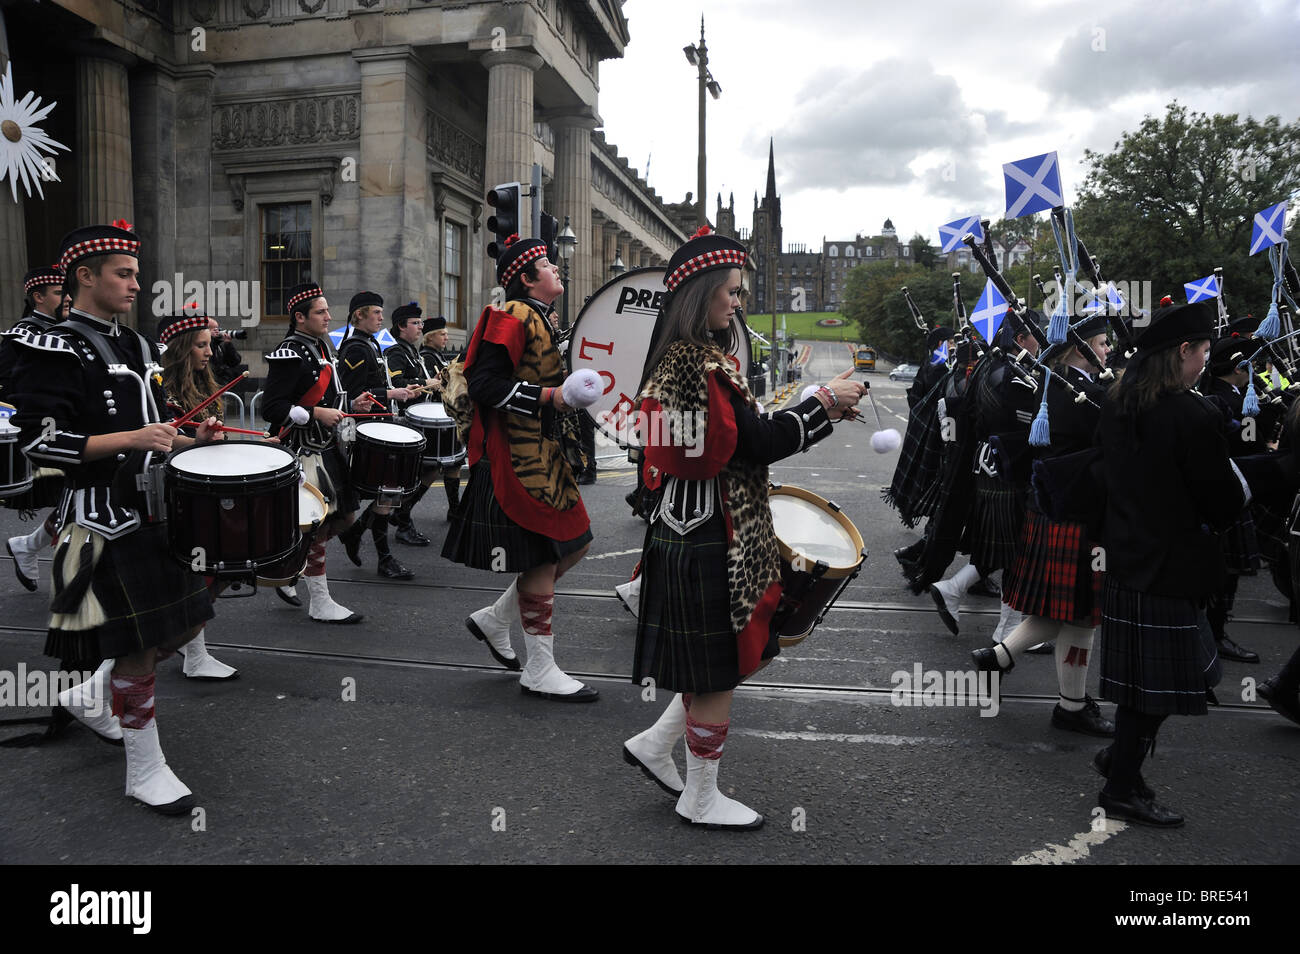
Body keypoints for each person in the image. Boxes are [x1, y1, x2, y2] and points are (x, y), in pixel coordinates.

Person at [623, 227, 865, 829]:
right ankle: (701, 796)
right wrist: (823, 406)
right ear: (699, 293)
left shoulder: (692, 360)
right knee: (722, 665)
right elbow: (743, 445)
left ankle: (657, 744)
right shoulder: (692, 364)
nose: (738, 302)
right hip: (710, 529)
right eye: (730, 291)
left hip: (699, 523)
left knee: (722, 660)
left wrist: (814, 404)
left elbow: (734, 435)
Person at [10, 222, 220, 813]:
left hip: (153, 504)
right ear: (85, 276)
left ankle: (90, 693)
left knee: (181, 626)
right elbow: (41, 443)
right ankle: (144, 768)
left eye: (134, 273)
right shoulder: (51, 346)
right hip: (101, 516)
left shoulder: (131, 346)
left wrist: (182, 439)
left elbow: (152, 428)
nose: (136, 284)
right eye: (123, 274)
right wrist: (135, 435)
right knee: (140, 645)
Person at [1093, 298, 1249, 827]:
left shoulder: (1117, 402)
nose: (1206, 360)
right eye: (1203, 351)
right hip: (1172, 564)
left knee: (1151, 683)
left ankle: (1121, 760)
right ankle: (1119, 786)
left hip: (1127, 555)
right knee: (1157, 689)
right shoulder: (1191, 414)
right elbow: (1223, 502)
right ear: (1183, 350)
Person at [442, 235, 597, 701]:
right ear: (527, 279)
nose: (557, 270)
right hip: (516, 458)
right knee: (544, 557)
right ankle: (540, 668)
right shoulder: (510, 314)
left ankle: (495, 620)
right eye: (547, 265)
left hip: (543, 455)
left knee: (574, 546)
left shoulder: (541, 318)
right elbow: (485, 384)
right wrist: (551, 397)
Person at [971, 312, 1114, 735]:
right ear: (1078, 348)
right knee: (1081, 613)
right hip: (1076, 511)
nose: (1108, 350)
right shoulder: (1078, 393)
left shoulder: (1058, 384)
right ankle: (1070, 708)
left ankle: (997, 658)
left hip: (1054, 510)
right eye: (1102, 344)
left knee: (1065, 611)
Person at [261, 281, 367, 623]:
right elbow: (272, 407)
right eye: (321, 312)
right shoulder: (290, 351)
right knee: (317, 527)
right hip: (304, 449)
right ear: (300, 317)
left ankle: (291, 566)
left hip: (327, 446)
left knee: (346, 517)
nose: (328, 316)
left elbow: (328, 398)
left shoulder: (321, 349)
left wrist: (352, 404)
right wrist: (314, 414)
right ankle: (319, 601)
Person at [156, 310, 240, 681]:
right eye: (201, 346)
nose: (209, 352)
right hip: (175, 491)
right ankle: (116, 673)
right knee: (195, 574)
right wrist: (196, 441)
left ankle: (195, 653)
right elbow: (160, 435)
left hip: (204, 485)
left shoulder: (204, 381)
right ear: (181, 349)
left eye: (209, 345)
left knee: (209, 573)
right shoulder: (159, 386)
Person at [1199, 334, 1275, 663]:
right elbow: (1243, 440)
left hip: (1233, 486)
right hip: (1227, 487)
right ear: (1236, 368)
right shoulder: (1222, 398)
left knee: (1226, 574)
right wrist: (1267, 416)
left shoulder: (1231, 395)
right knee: (1222, 573)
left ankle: (1217, 630)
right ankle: (1214, 635)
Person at [335, 292, 417, 579]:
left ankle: (357, 535)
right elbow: (352, 393)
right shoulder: (356, 347)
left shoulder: (369, 344)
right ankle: (382, 557)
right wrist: (391, 393)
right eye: (376, 313)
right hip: (367, 429)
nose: (382, 318)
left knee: (389, 492)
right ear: (359, 315)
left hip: (380, 425)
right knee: (386, 491)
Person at [3, 265, 67, 591]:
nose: (67, 297)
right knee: (75, 501)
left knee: (77, 501)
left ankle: (27, 546)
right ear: (38, 297)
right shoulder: (23, 333)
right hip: (43, 436)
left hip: (71, 431)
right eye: (58, 292)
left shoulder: (68, 329)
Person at [385, 307, 461, 535]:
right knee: (410, 476)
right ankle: (396, 518)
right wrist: (425, 380)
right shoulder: (397, 352)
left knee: (430, 469)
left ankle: (401, 516)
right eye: (415, 323)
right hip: (409, 420)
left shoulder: (410, 351)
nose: (420, 327)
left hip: (419, 419)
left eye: (420, 323)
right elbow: (397, 383)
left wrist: (433, 380)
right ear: (401, 326)